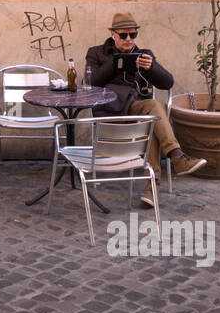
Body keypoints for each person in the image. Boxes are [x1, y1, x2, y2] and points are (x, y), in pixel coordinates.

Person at [84, 13, 207, 205]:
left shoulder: (144, 54)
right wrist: (118, 61)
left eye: (133, 35)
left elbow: (168, 83)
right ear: (112, 34)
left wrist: (151, 68)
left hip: (138, 111)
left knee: (151, 116)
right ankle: (176, 158)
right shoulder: (97, 53)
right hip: (110, 113)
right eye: (123, 35)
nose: (128, 40)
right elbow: (90, 83)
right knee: (152, 115)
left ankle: (153, 186)